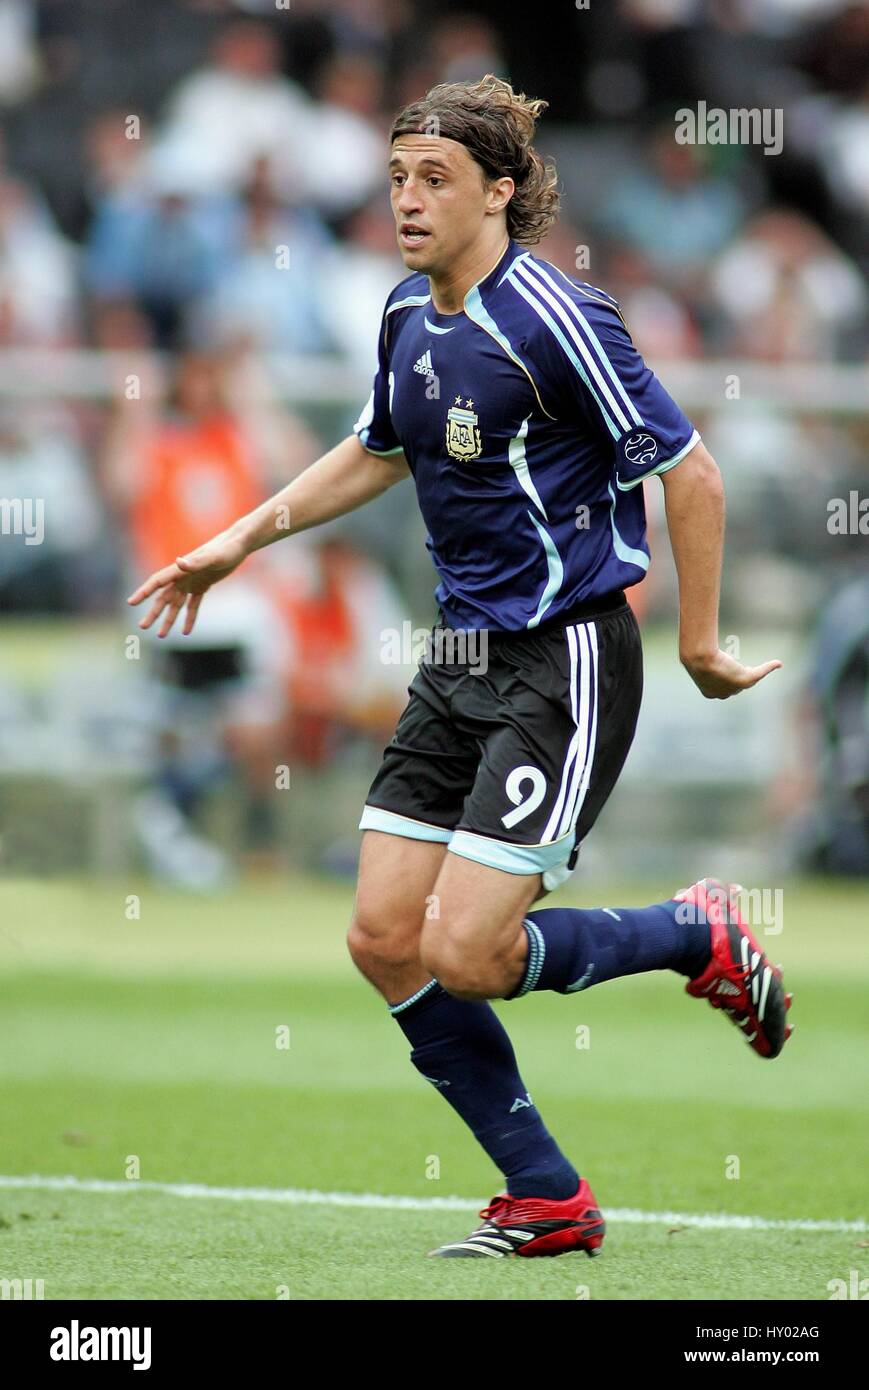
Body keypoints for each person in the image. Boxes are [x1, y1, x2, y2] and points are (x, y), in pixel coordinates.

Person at [128, 75, 793, 1261]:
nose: (406, 200)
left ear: (499, 191)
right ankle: (546, 1193)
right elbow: (378, 445)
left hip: (565, 655)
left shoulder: (558, 317)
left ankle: (693, 933)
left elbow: (687, 472)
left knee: (468, 954)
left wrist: (694, 639)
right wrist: (238, 536)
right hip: (460, 655)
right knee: (384, 936)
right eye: (395, 178)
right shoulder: (403, 313)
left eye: (434, 179)